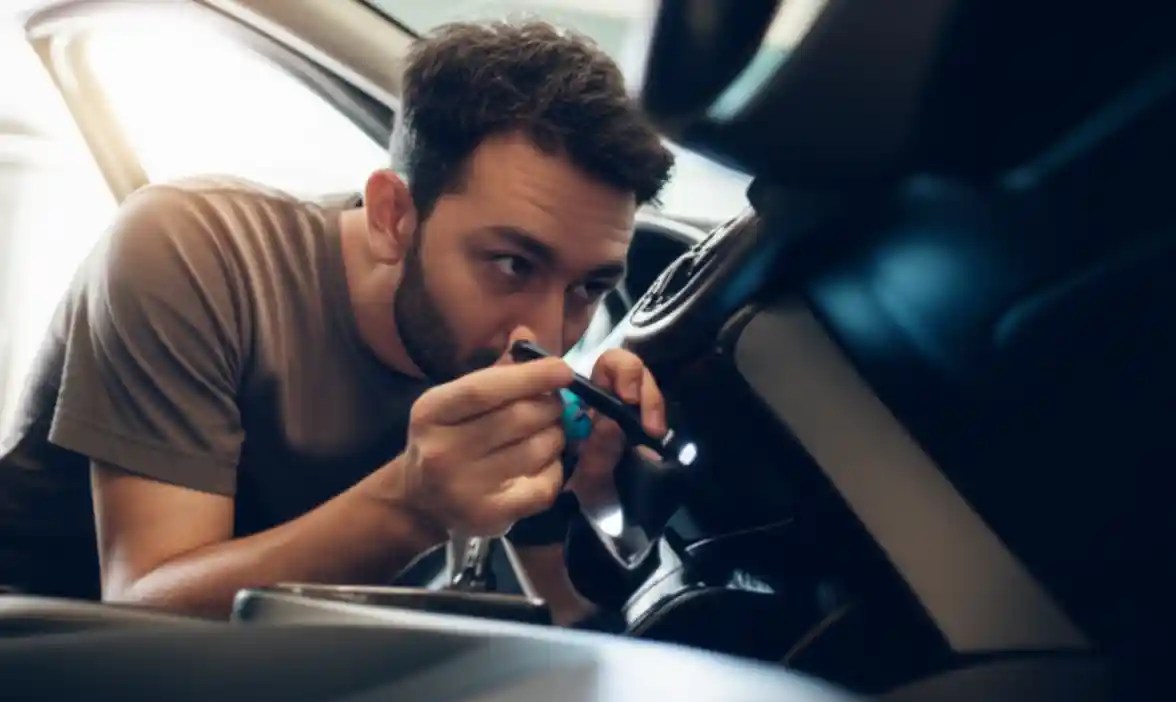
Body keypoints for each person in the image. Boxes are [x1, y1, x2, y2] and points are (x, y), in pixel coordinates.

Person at [0, 20, 675, 625]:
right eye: (511, 264)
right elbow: (142, 614)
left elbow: (568, 610)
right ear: (393, 216)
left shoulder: (508, 356)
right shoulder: (190, 248)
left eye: (589, 287)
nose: (545, 336)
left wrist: (605, 505)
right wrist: (413, 507)